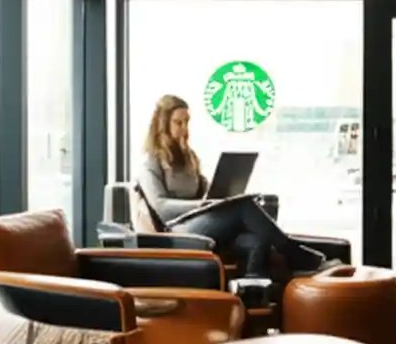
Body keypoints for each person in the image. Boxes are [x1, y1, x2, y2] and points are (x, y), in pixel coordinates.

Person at [138, 94, 336, 277]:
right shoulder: (151, 161)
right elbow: (161, 207)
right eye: (178, 123)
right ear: (163, 125)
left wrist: (216, 195)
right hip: (177, 231)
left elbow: (204, 192)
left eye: (187, 122)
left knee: (258, 239)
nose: (184, 128)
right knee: (244, 206)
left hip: (200, 222)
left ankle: (253, 294)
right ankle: (299, 257)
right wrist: (202, 205)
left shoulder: (189, 157)